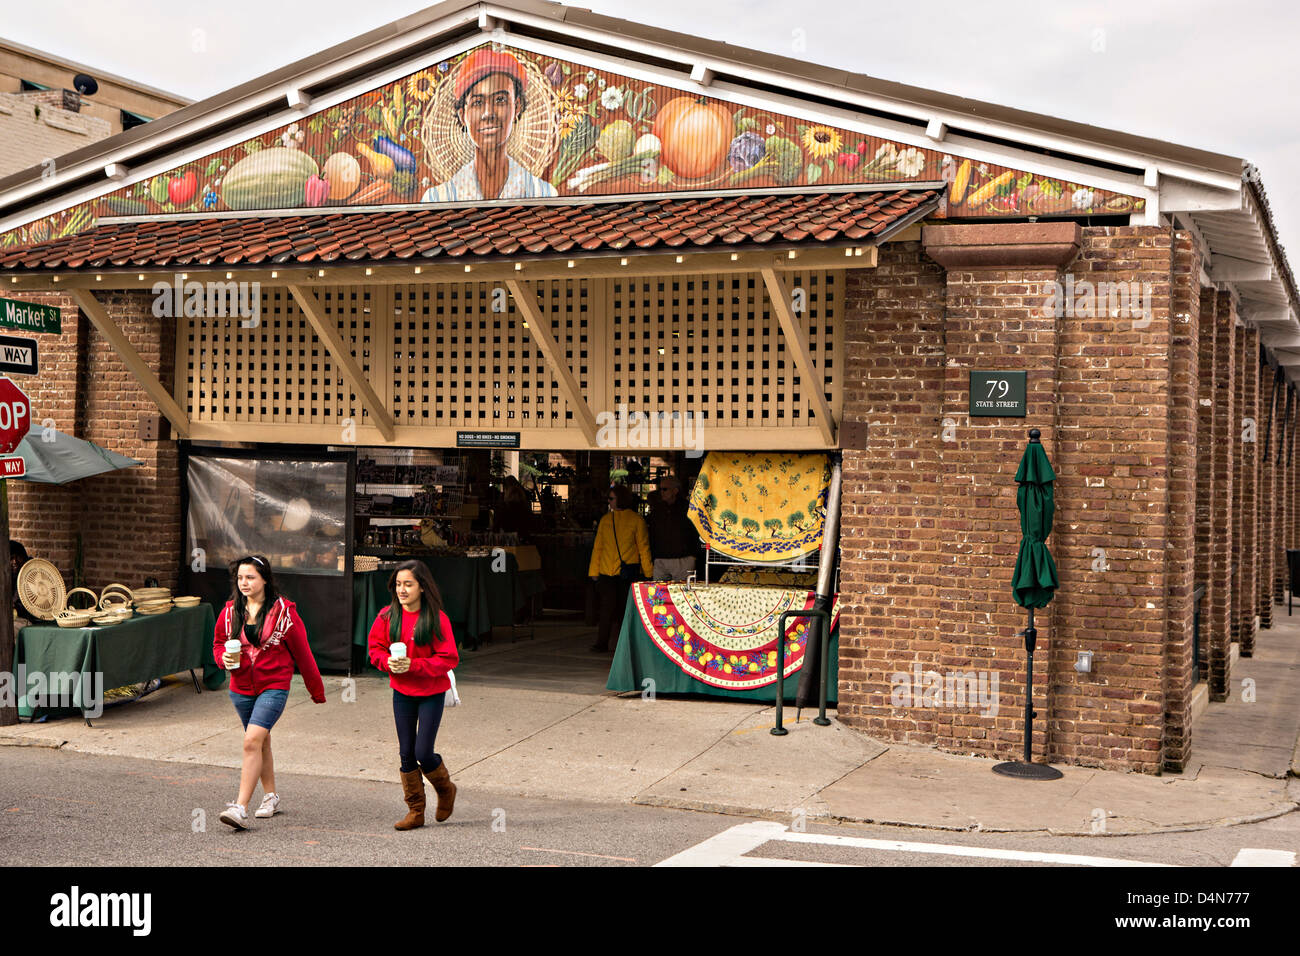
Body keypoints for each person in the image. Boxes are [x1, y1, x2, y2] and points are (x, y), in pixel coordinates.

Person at [213, 555, 325, 830]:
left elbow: (303, 652)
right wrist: (222, 660)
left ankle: (239, 808)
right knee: (260, 742)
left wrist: (316, 690)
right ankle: (271, 797)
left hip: (273, 686)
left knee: (251, 741)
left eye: (250, 577)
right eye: (240, 578)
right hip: (240, 689)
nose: (244, 583)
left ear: (265, 579)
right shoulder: (230, 612)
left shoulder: (284, 613)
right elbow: (218, 645)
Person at [367, 560, 460, 830]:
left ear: (422, 587)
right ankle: (416, 811)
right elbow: (375, 649)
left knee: (423, 751)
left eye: (408, 584)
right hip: (402, 692)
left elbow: (449, 658)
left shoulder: (436, 618)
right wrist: (387, 663)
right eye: (398, 584)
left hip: (431, 691)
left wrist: (415, 665)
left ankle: (445, 790)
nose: (402, 590)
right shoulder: (387, 616)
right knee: (406, 753)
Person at [421, 49, 558, 202]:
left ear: (517, 107)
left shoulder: (544, 194)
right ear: (462, 115)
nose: (488, 113)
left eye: (500, 100)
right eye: (477, 102)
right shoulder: (437, 199)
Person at [588, 484, 652, 653]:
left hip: (612, 572)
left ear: (620, 499)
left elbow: (598, 548)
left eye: (611, 498)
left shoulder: (609, 520)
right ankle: (620, 644)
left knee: (610, 610)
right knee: (620, 611)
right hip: (622, 572)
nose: (608, 502)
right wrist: (648, 573)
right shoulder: (635, 520)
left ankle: (605, 643)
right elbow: (643, 548)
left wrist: (594, 572)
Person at [647, 475, 698, 581]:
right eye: (660, 489)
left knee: (682, 594)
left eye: (665, 489)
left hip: (683, 559)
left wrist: (692, 555)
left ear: (675, 491)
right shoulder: (657, 509)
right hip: (661, 558)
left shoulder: (688, 508)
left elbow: (695, 533)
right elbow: (652, 532)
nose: (661, 492)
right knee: (658, 595)